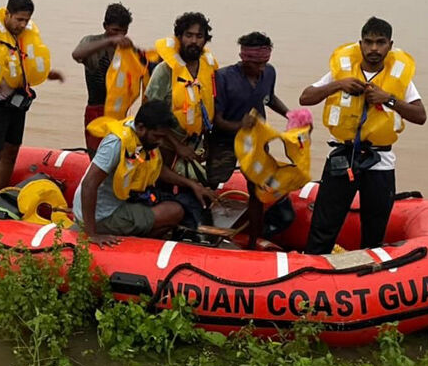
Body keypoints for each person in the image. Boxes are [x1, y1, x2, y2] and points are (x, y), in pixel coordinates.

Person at [298, 16, 426, 254]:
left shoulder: (399, 78)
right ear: (360, 44)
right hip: (342, 158)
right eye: (368, 42)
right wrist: (338, 85)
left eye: (380, 42)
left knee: (375, 227)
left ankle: (368, 278)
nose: (374, 48)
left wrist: (388, 99)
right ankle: (314, 270)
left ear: (390, 44)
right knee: (324, 223)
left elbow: (420, 115)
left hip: (380, 162)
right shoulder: (342, 71)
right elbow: (306, 97)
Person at [74, 100, 214, 245]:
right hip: (102, 215)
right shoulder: (116, 144)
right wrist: (91, 234)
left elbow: (157, 170)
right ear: (141, 128)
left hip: (120, 201)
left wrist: (192, 185)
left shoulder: (143, 139)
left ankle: (137, 236)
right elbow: (89, 184)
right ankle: (135, 244)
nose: (160, 142)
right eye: (157, 136)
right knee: (175, 212)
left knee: (172, 206)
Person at [0, 0, 64, 202]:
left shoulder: (25, 34)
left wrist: (48, 74)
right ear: (7, 14)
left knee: (12, 151)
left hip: (16, 103)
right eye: (19, 20)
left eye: (26, 20)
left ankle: (0, 197)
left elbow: (26, 63)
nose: (23, 25)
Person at [208, 32, 290, 239]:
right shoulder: (223, 77)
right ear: (244, 58)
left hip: (256, 142)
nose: (261, 68)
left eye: (265, 62)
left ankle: (254, 238)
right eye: (257, 63)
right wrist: (240, 125)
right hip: (225, 141)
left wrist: (290, 115)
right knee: (211, 182)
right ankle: (200, 230)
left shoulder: (269, 73)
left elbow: (269, 98)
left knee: (257, 190)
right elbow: (217, 120)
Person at [144, 12, 219, 226]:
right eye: (188, 35)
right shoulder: (164, 71)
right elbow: (149, 113)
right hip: (166, 146)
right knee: (162, 193)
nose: (193, 41)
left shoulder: (209, 69)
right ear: (179, 37)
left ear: (205, 39)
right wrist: (177, 146)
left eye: (199, 36)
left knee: (195, 195)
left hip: (196, 144)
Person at [72, 3, 134, 157]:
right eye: (115, 30)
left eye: (123, 31)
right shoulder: (91, 42)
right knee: (97, 155)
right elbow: (77, 54)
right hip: (96, 110)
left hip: (119, 113)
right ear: (105, 26)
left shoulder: (127, 49)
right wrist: (108, 42)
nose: (119, 35)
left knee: (118, 155)